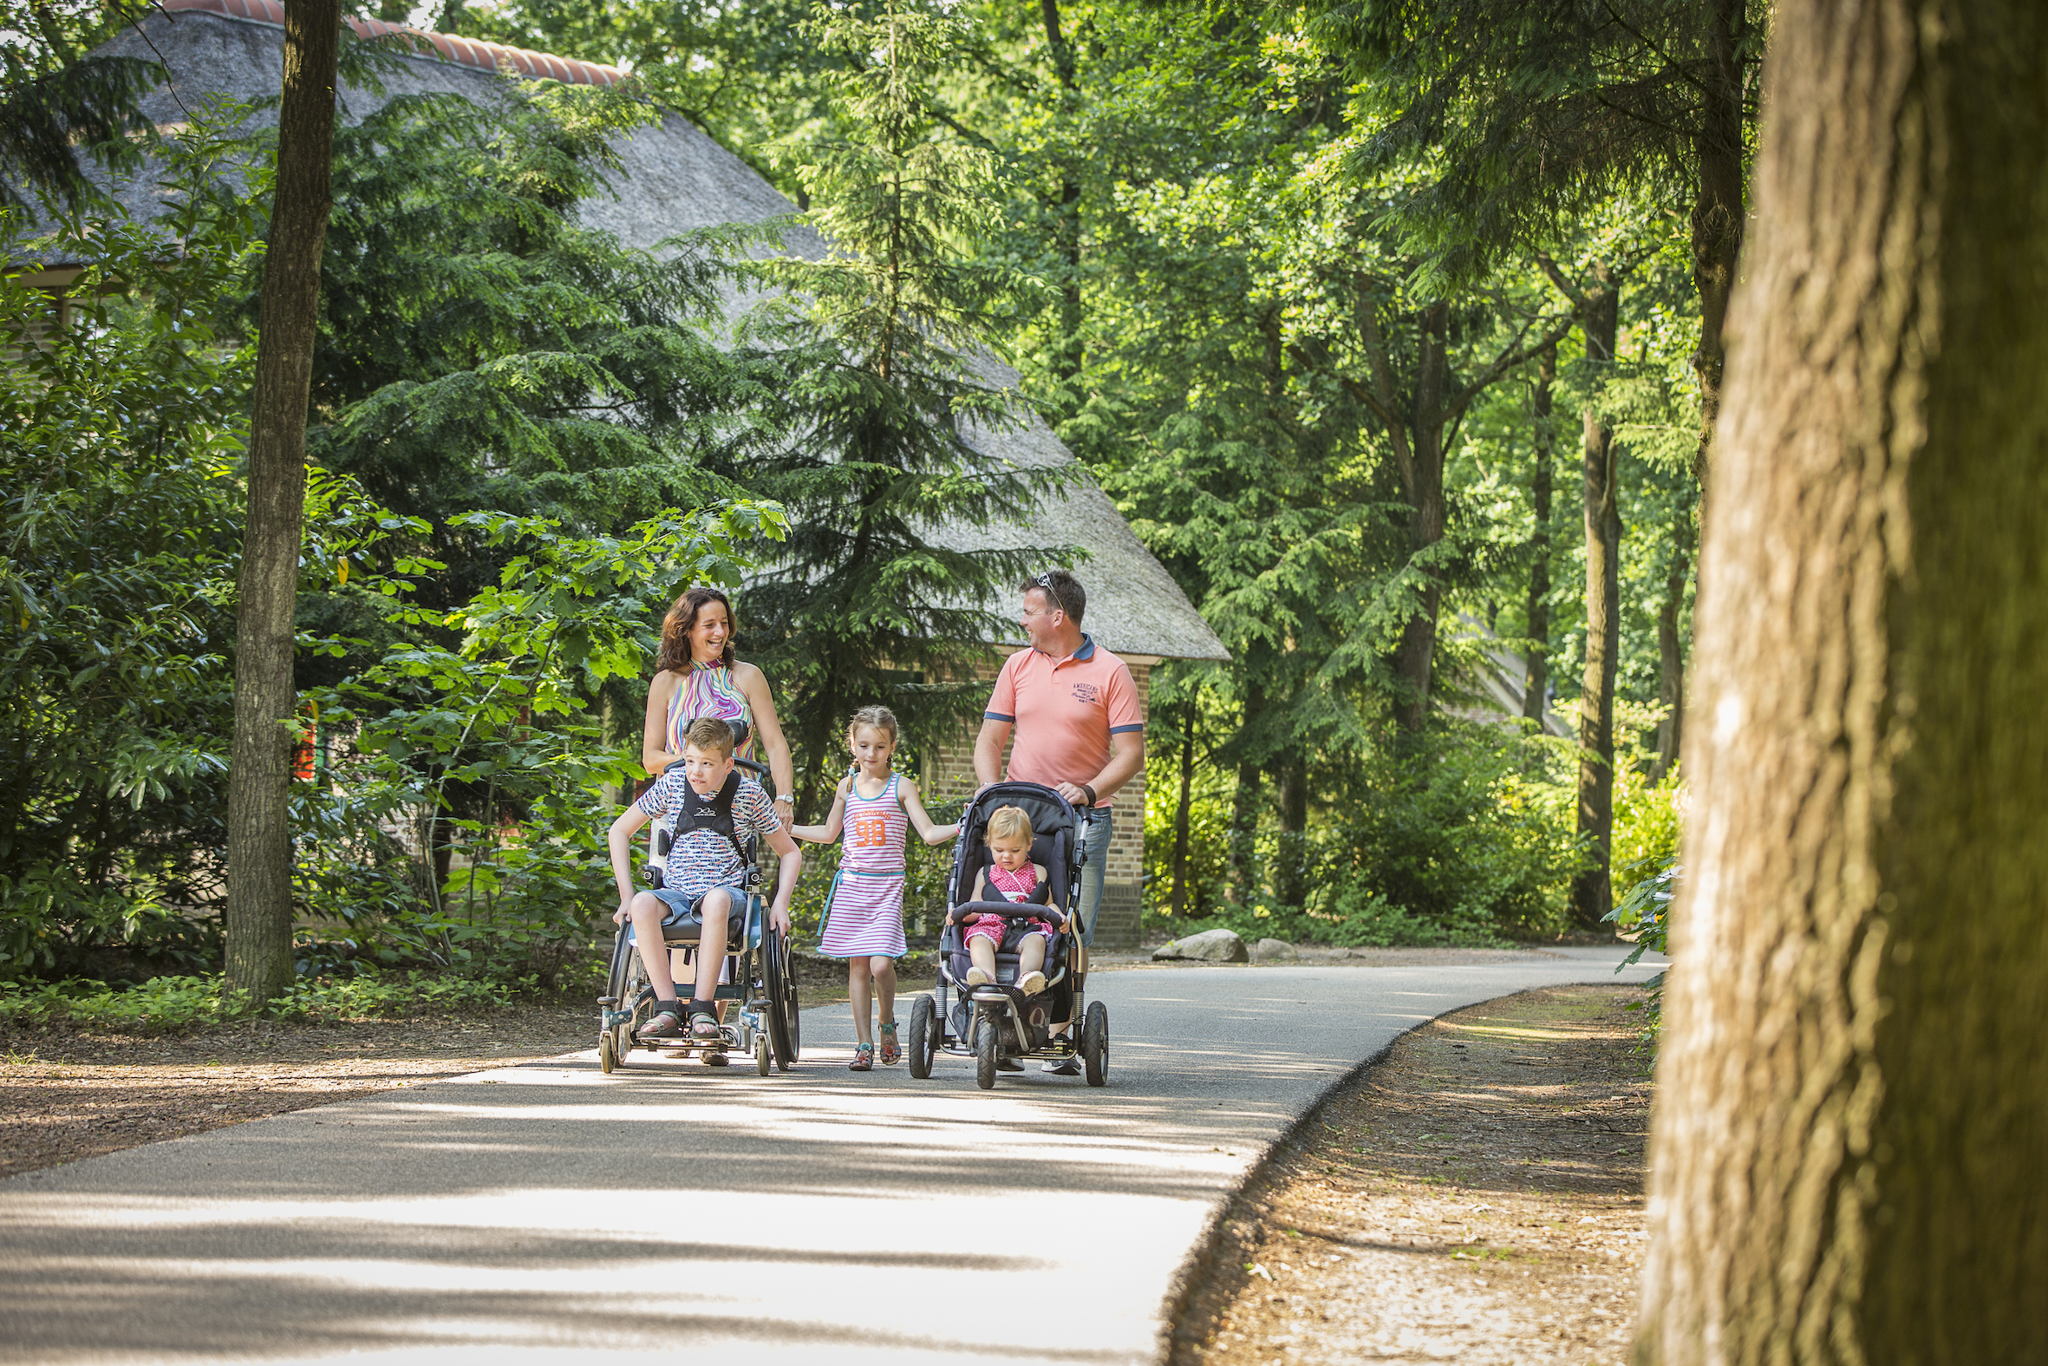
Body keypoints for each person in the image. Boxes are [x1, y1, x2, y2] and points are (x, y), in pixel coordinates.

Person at [973, 570, 1144, 1074]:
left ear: (1057, 616)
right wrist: (989, 788)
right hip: (1019, 821)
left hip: (1084, 818)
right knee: (998, 912)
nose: (1022, 620)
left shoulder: (1111, 672)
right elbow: (990, 740)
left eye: (1029, 611)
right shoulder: (1017, 666)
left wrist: (1089, 789)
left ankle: (1058, 1032)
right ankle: (1003, 1025)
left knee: (1071, 928)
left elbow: (1131, 754)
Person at [608, 717, 801, 1047]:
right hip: (677, 891)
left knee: (716, 900)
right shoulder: (671, 786)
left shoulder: (749, 793)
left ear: (728, 764)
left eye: (707, 764)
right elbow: (619, 831)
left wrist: (780, 903)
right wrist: (626, 896)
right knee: (641, 903)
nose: (696, 772)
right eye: (690, 761)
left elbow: (790, 852)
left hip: (727, 892)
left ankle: (702, 1007)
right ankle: (667, 1007)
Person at [792, 706, 957, 1071]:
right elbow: (828, 833)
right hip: (852, 887)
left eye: (879, 747)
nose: (871, 754)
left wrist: (961, 826)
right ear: (852, 744)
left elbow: (928, 834)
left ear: (892, 746)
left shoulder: (901, 786)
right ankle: (863, 1043)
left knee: (882, 966)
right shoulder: (846, 787)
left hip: (886, 888)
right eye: (864, 745)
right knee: (858, 968)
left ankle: (886, 1024)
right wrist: (787, 828)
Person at [642, 587, 795, 821]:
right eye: (709, 624)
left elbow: (775, 744)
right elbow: (651, 760)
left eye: (724, 623)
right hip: (678, 813)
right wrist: (701, 762)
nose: (720, 631)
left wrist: (784, 799)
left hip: (738, 808)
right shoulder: (665, 682)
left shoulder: (748, 676)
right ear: (687, 630)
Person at [959, 805, 1065, 998]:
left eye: (1015, 850)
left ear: (1029, 845)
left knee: (1037, 941)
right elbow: (975, 902)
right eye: (999, 850)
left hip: (1026, 928)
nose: (1006, 856)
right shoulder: (985, 873)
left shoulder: (1038, 871)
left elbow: (1047, 903)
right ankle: (986, 978)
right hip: (991, 925)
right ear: (989, 844)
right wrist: (960, 913)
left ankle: (1026, 979)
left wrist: (1059, 916)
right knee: (978, 940)